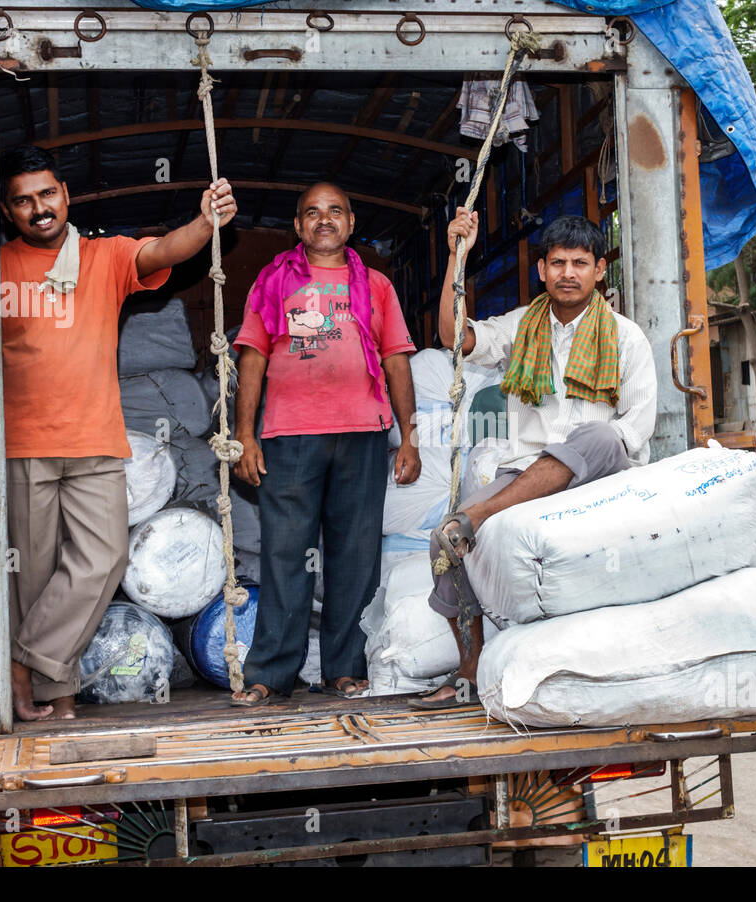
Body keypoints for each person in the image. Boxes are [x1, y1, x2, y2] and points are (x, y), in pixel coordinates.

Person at [0, 144, 236, 721]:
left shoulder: (102, 256)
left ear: (65, 196)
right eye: (23, 201)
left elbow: (162, 251)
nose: (39, 208)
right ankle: (53, 693)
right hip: (22, 444)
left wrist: (205, 222)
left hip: (97, 441)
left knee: (104, 558)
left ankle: (25, 662)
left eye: (47, 194)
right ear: (9, 212)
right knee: (31, 573)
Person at [414, 210, 657, 709]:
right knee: (444, 539)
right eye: (559, 263)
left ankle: (478, 516)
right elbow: (454, 338)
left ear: (599, 270)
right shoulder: (521, 325)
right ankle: (470, 669)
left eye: (580, 263)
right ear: (542, 270)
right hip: (522, 472)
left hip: (598, 473)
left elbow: (635, 432)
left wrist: (584, 452)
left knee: (602, 435)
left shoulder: (627, 336)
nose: (569, 273)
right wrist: (454, 260)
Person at [231, 182, 420, 705]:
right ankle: (271, 672)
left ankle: (345, 667)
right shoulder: (274, 280)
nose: (323, 220)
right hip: (290, 435)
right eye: (311, 213)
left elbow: (396, 359)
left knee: (355, 555)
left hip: (362, 434)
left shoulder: (376, 285)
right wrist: (245, 435)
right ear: (297, 226)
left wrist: (409, 437)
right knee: (285, 555)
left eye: (334, 211)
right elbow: (252, 357)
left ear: (351, 223)